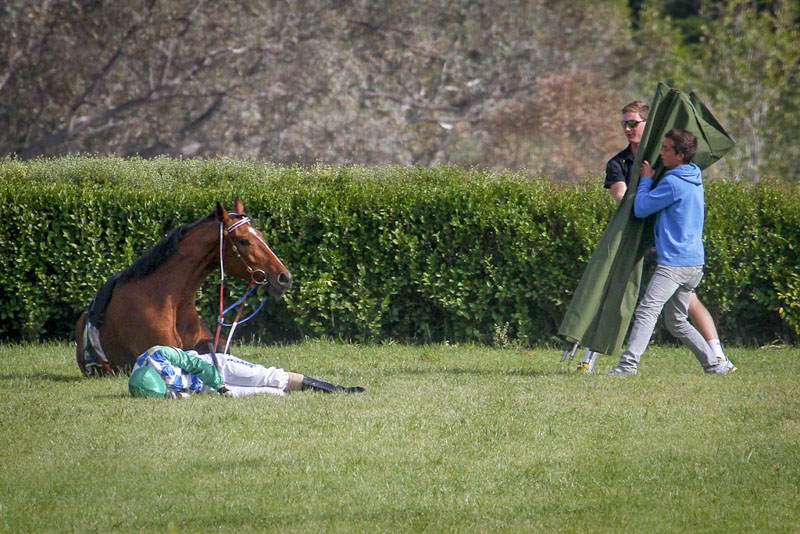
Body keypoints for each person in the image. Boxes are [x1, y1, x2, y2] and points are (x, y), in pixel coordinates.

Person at [597, 101, 734, 372]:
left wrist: (646, 179)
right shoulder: (694, 175)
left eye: (666, 150)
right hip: (694, 263)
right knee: (677, 322)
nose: (661, 153)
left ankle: (627, 366)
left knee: (647, 310)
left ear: (680, 155)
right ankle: (714, 364)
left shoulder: (672, 181)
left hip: (674, 264)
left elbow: (640, 207)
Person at [128, 345, 365, 398]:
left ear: (159, 373)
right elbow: (179, 397)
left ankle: (336, 390)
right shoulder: (145, 390)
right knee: (270, 394)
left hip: (215, 366)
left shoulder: (159, 353)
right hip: (206, 388)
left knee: (271, 377)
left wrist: (221, 385)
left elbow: (201, 367)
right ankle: (301, 395)